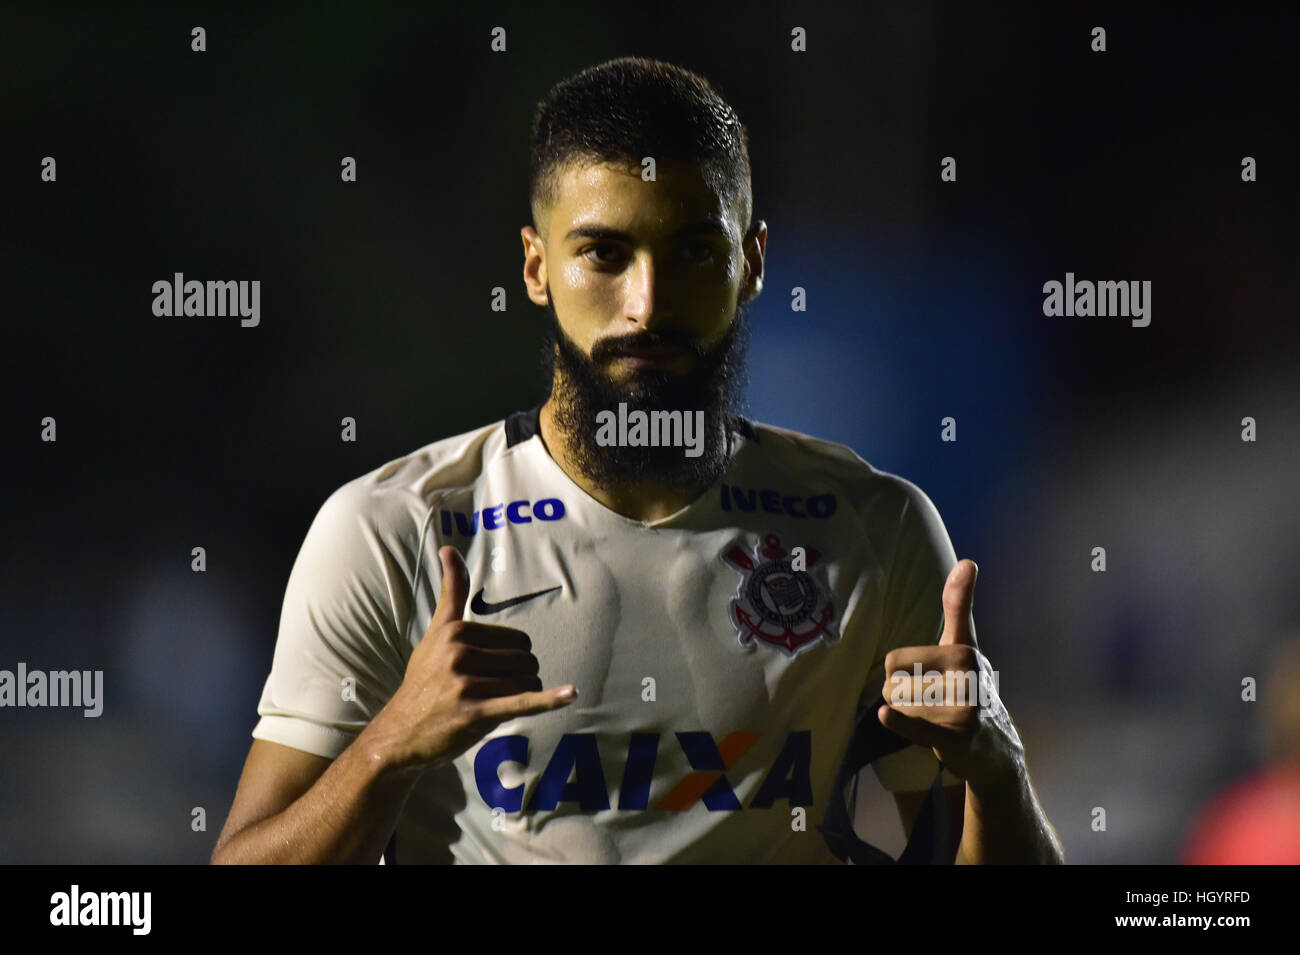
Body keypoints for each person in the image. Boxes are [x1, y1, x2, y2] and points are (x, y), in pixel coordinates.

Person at [212, 56, 1063, 864]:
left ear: (752, 265)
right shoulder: (393, 531)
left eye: (693, 250)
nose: (646, 304)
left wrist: (997, 767)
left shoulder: (875, 530)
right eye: (604, 254)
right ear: (537, 268)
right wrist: (391, 744)